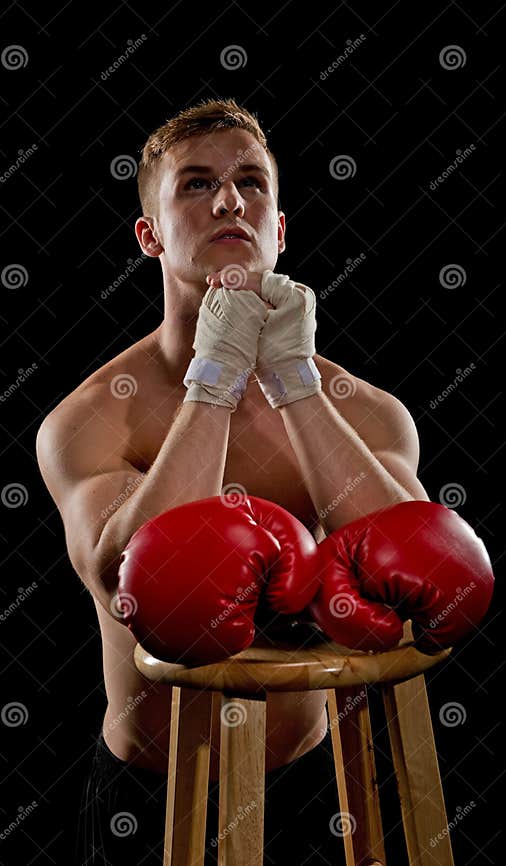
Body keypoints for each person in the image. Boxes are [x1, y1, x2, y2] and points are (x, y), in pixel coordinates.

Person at [36, 97, 429, 864]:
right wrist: (212, 383)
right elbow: (133, 580)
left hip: (310, 790)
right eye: (195, 185)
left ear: (278, 231)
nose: (229, 200)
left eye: (252, 183)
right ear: (148, 235)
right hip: (148, 804)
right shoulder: (92, 419)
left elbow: (416, 569)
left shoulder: (366, 413)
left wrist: (295, 385)